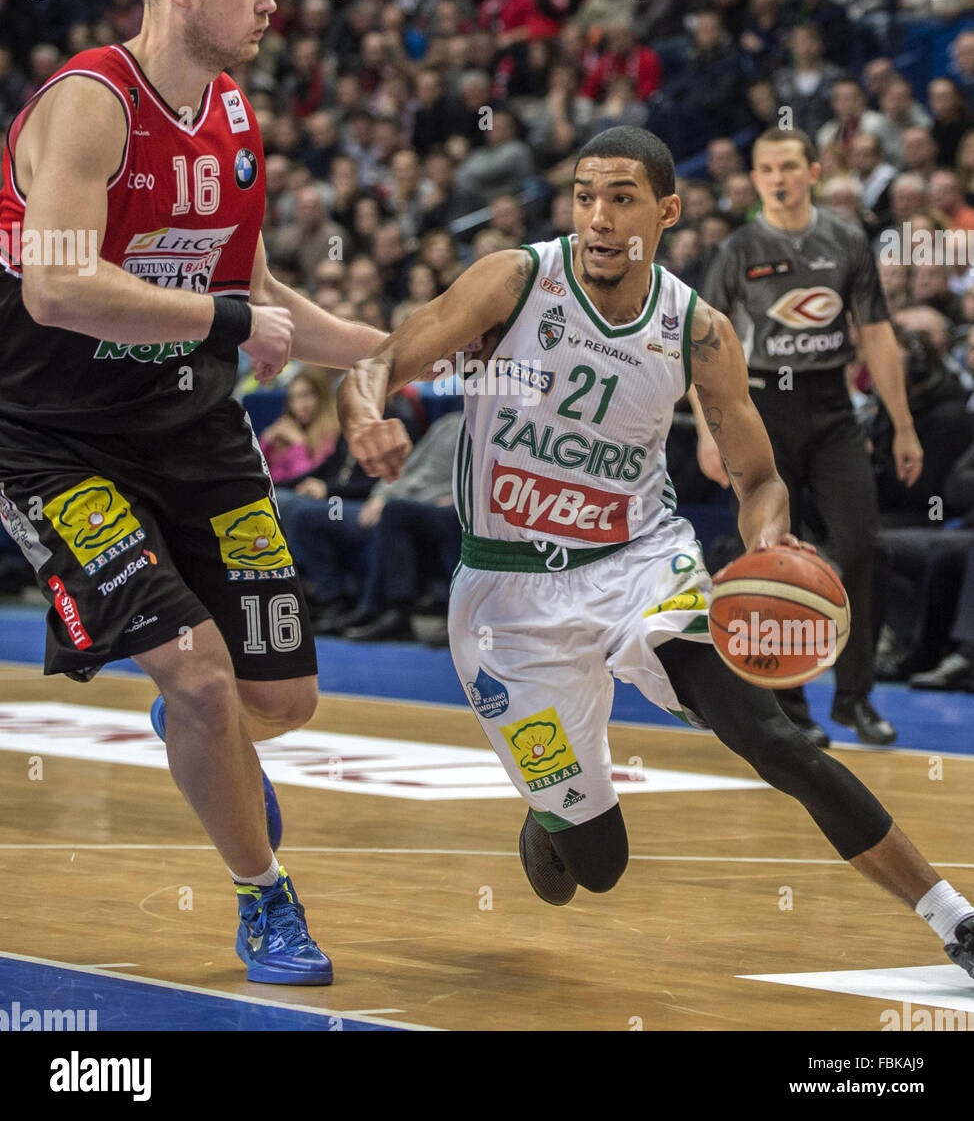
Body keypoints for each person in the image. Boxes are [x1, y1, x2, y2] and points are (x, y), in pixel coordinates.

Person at [335, 125, 973, 979]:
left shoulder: (697, 329)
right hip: (507, 605)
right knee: (592, 868)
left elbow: (759, 479)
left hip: (639, 565)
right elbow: (373, 365)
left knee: (775, 739)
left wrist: (767, 540)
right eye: (584, 196)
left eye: (622, 198)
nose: (598, 218)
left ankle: (954, 920)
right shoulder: (515, 281)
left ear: (667, 211)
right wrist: (366, 415)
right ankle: (552, 811)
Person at [0, 0, 394, 986]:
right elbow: (55, 286)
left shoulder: (230, 116)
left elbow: (262, 300)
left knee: (280, 699)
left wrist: (393, 345)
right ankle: (263, 898)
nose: (275, 1)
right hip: (51, 437)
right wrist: (230, 321)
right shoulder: (89, 104)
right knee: (204, 682)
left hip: (193, 428)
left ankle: (208, 744)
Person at [694, 127, 923, 747]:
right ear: (756, 176)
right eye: (766, 168)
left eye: (789, 166)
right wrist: (710, 432)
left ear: (813, 171)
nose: (777, 178)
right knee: (768, 550)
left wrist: (902, 427)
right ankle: (788, 707)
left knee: (863, 544)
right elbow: (701, 343)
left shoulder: (847, 240)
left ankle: (855, 698)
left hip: (831, 407)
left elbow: (876, 335)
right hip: (759, 406)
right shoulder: (739, 248)